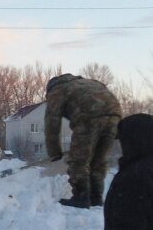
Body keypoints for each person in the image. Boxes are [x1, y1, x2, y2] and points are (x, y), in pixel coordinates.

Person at [44, 73, 121, 208]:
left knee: (79, 160)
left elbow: (52, 122)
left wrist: (55, 152)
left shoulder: (57, 89)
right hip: (115, 114)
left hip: (89, 116)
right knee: (99, 160)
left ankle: (81, 196)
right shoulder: (88, 83)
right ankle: (96, 197)